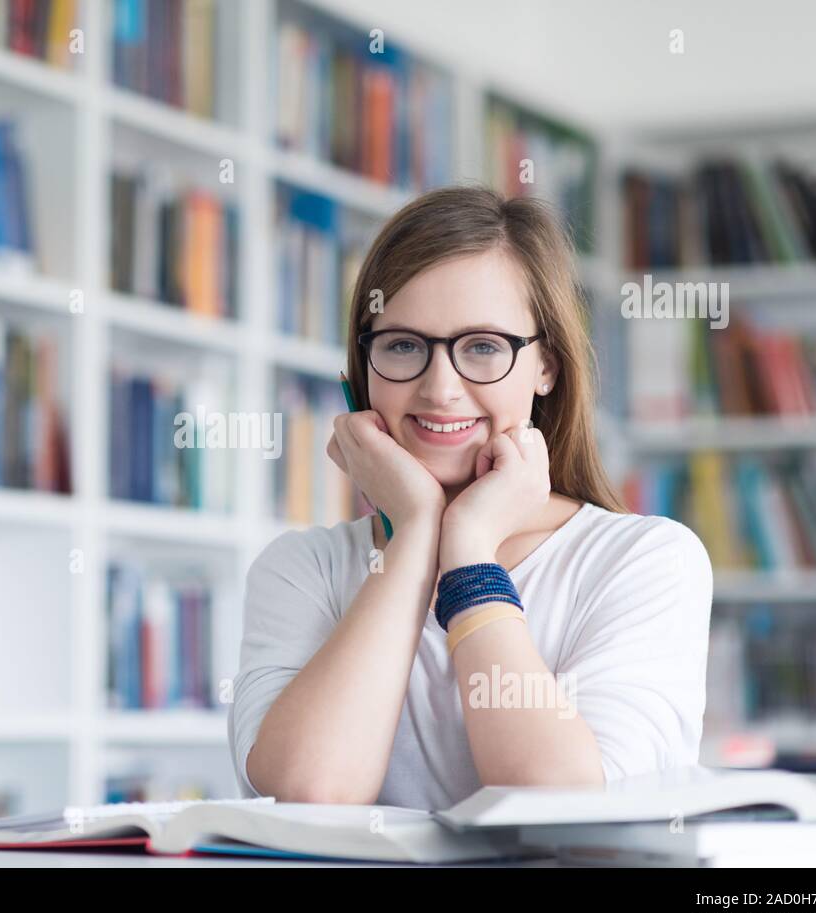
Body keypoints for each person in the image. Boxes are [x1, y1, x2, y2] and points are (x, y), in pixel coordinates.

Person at [229, 185, 713, 809]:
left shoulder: (644, 560)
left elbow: (559, 805)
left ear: (548, 367)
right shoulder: (301, 570)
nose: (440, 389)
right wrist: (418, 531)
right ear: (362, 368)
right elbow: (311, 790)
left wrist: (470, 556)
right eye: (402, 345)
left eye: (482, 347)